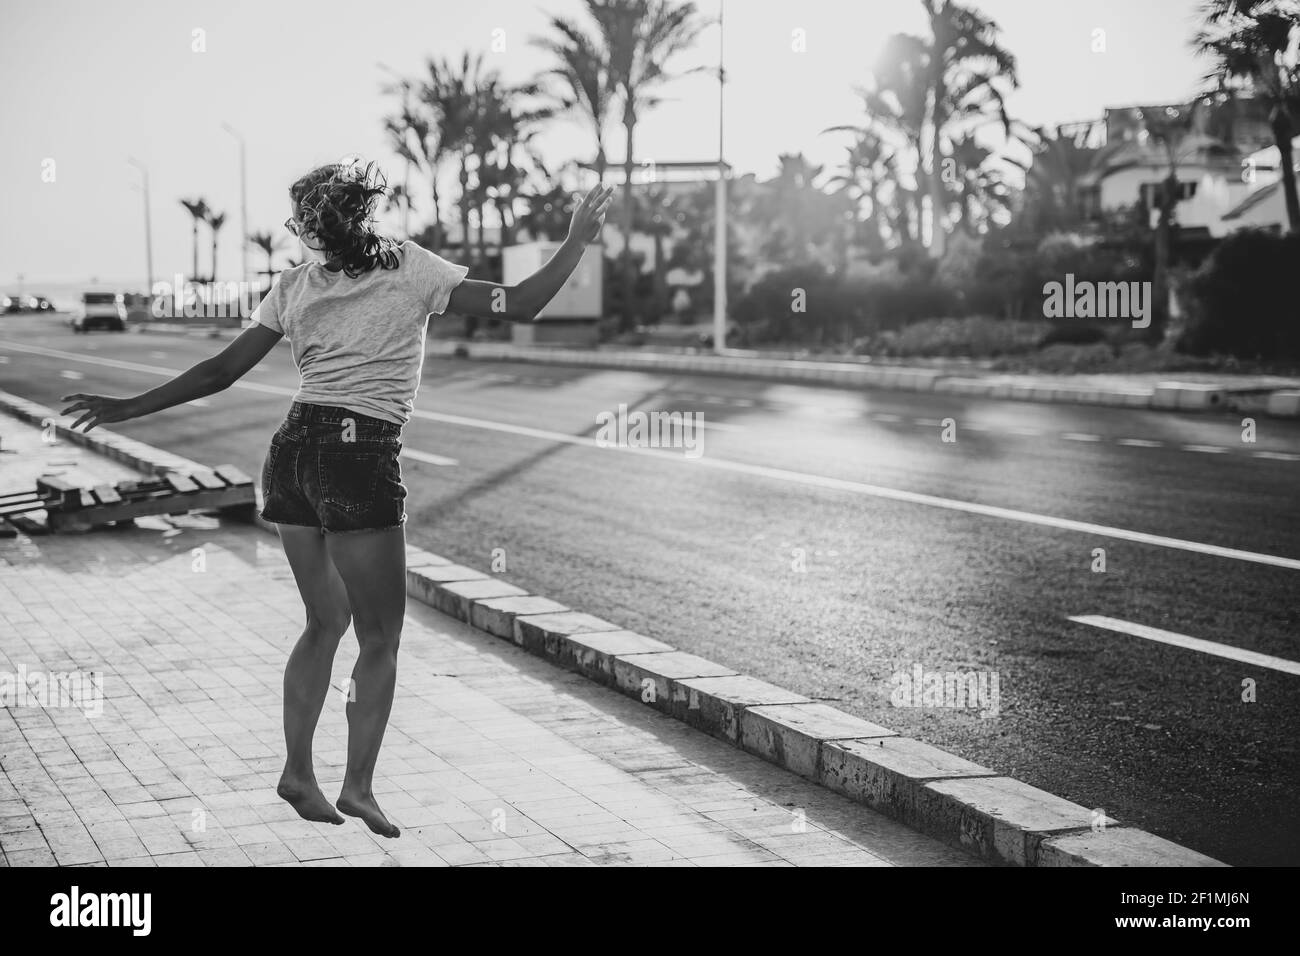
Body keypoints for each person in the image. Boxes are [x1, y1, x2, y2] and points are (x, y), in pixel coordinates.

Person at [61, 160, 613, 837]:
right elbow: (520, 303)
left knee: (324, 623)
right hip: (359, 453)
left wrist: (128, 408)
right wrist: (578, 239)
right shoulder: (411, 267)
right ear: (367, 213)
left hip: (291, 451)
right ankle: (357, 786)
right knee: (379, 636)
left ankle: (298, 772)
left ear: (310, 228)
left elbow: (221, 371)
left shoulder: (291, 287)